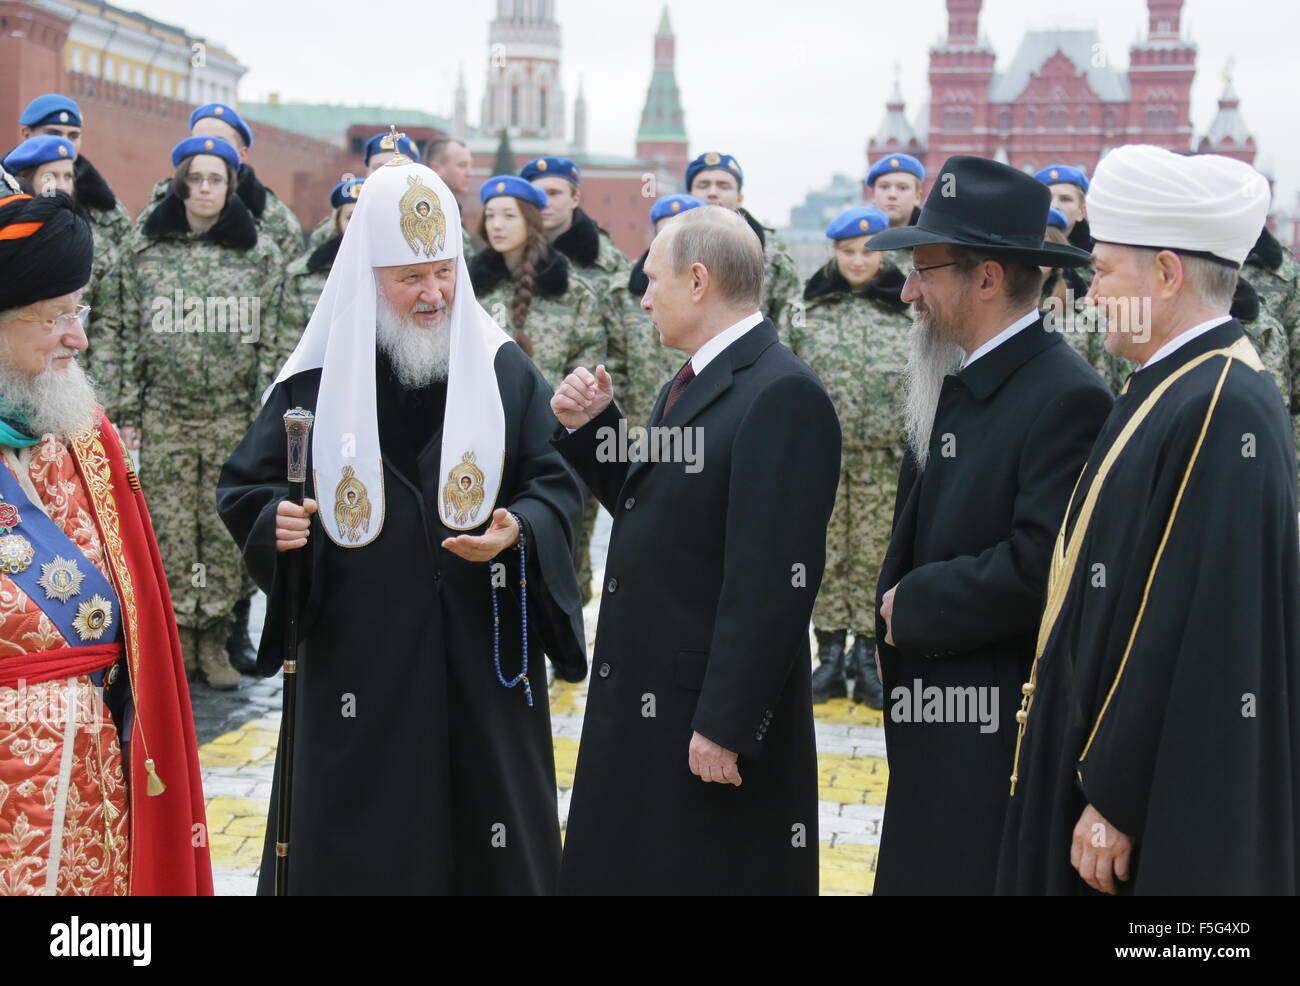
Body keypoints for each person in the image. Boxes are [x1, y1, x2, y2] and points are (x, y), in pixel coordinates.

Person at [217, 150, 586, 894]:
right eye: (410, 279)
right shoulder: (313, 381)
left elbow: (557, 479)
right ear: (369, 278)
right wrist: (276, 525)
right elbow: (247, 487)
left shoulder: (504, 369)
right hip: (360, 662)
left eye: (444, 271)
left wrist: (520, 525)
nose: (434, 295)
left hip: (479, 665)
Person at [999, 145, 1299, 896]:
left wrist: (1116, 792)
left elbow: (1207, 630)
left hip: (1134, 807)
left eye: (1100, 271)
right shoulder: (1174, 382)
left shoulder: (1222, 403)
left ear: (1165, 274)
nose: (1087, 291)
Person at [551, 205, 841, 894]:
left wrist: (728, 724)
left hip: (704, 724)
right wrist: (597, 429)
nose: (644, 297)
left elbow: (772, 581)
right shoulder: (696, 378)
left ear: (699, 280)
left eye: (653, 280)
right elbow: (660, 504)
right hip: (655, 705)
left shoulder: (781, 394)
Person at [868, 156, 1113, 894]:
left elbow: (1042, 566)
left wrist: (912, 605)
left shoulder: (1066, 397)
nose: (907, 291)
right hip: (931, 714)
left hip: (990, 729)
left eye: (923, 270)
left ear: (986, 278)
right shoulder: (962, 369)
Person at [0, 178, 211, 895]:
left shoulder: (86, 436)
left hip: (100, 789)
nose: (79, 337)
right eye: (55, 316)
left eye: (79, 309)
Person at [93, 136, 284, 691]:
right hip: (164, 415)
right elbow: (116, 329)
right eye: (194, 179)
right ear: (180, 184)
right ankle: (177, 639)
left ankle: (215, 639)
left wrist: (264, 411)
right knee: (171, 531)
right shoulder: (145, 247)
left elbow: (274, 340)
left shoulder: (258, 252)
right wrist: (124, 408)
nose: (204, 189)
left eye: (215, 180)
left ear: (231, 186)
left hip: (232, 417)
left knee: (223, 528)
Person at [782, 206, 910, 709]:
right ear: (833, 252)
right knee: (826, 553)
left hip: (885, 457)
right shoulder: (803, 309)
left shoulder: (910, 308)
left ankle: (866, 656)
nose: (859, 261)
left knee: (876, 556)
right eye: (847, 251)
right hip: (822, 460)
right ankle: (829, 655)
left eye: (869, 252)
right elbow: (783, 380)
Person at [470, 175, 606, 605]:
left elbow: (585, 369)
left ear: (532, 221)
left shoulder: (571, 293)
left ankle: (563, 660)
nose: (497, 225)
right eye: (490, 215)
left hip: (553, 447)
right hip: (482, 442)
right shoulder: (468, 288)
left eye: (509, 215)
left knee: (560, 553)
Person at [136, 103, 303, 262]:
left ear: (243, 154)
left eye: (221, 142)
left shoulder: (276, 218)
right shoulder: (160, 208)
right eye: (198, 141)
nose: (209, 149)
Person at [16, 93, 133, 273]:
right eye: (53, 133)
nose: (63, 142)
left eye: (73, 136)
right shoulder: (7, 193)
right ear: (26, 134)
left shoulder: (105, 206)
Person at [685, 151, 801, 324]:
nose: (712, 193)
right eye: (703, 185)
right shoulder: (669, 246)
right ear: (689, 195)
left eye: (723, 186)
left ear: (739, 198)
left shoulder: (771, 252)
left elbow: (788, 312)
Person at [277, 178, 364, 373]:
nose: (358, 225)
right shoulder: (305, 274)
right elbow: (289, 345)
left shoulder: (397, 274)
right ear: (337, 223)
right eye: (350, 217)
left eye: (364, 216)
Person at [305, 133, 420, 252]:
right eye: (378, 167)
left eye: (397, 167)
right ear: (367, 172)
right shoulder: (330, 230)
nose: (386, 174)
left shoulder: (429, 215)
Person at [864, 153, 925, 276]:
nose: (892, 194)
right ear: (873, 195)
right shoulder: (857, 239)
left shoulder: (933, 243)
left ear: (917, 197)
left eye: (902, 188)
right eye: (884, 187)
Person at [425, 137, 475, 257]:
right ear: (436, 169)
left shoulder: (451, 208)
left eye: (470, 166)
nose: (470, 173)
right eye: (462, 165)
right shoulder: (427, 214)